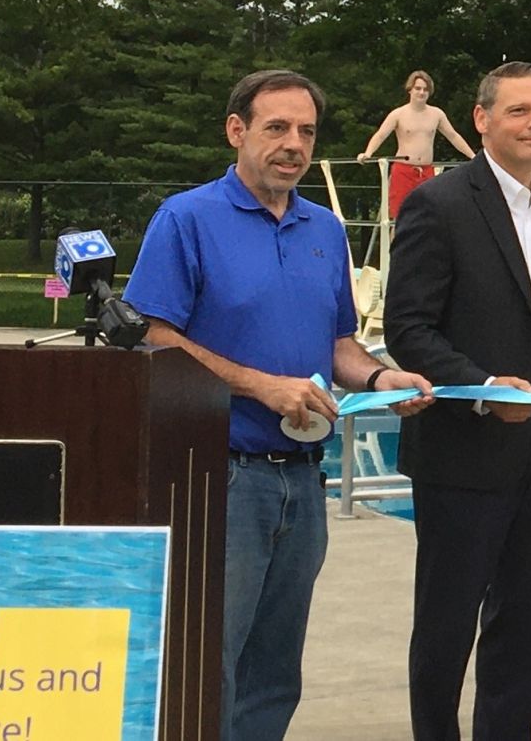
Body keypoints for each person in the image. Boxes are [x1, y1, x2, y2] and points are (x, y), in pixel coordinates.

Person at [124, 69, 435, 739]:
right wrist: (261, 384)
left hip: (303, 477)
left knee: (275, 672)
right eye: (277, 128)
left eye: (306, 132)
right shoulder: (186, 219)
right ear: (237, 131)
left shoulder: (323, 228)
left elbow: (339, 345)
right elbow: (155, 336)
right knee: (211, 666)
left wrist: (383, 380)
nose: (294, 144)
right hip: (223, 477)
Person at [384, 60, 531, 740]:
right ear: (480, 119)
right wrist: (480, 389)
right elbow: (408, 328)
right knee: (447, 623)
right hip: (464, 446)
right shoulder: (439, 204)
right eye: (520, 111)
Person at [357, 69, 477, 219]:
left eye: (425, 89)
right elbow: (380, 135)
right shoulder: (398, 114)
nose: (421, 93)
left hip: (427, 171)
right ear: (410, 90)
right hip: (403, 171)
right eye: (418, 88)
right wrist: (368, 153)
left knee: (428, 217)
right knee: (400, 218)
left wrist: (473, 156)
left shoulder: (437, 114)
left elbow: (453, 136)